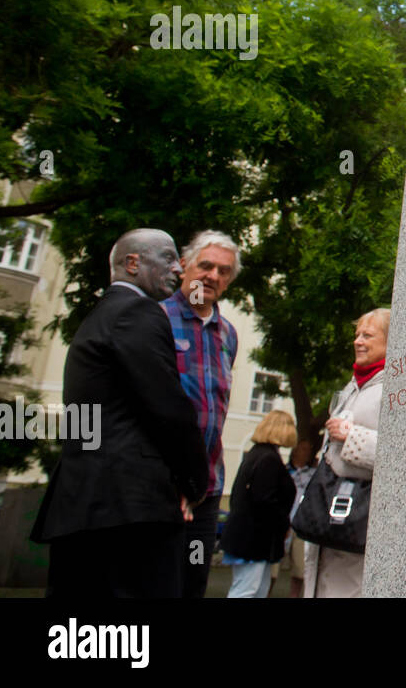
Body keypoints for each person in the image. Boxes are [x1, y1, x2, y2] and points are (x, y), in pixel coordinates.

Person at [30, 229, 209, 598]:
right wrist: (194, 482)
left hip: (85, 504)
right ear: (132, 263)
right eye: (169, 258)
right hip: (129, 508)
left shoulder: (99, 317)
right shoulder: (137, 313)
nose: (179, 269)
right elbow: (168, 408)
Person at [160, 230, 241, 598]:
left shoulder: (228, 334)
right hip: (163, 488)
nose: (212, 276)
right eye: (205, 266)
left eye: (223, 271)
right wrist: (171, 477)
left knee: (192, 586)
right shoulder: (156, 320)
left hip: (208, 491)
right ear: (183, 267)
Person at [303, 308, 388, 598]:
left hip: (360, 520)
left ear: (391, 342)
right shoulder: (354, 385)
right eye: (357, 335)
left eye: (367, 335)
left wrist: (352, 437)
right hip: (331, 514)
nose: (358, 341)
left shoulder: (393, 389)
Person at [221, 410, 298, 598]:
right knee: (247, 590)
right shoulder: (269, 459)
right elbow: (265, 500)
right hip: (255, 539)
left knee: (255, 589)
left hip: (250, 537)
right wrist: (283, 523)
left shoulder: (256, 455)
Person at [286, 439, 317, 598]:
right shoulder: (284, 471)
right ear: (295, 450)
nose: (306, 452)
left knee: (299, 569)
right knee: (271, 570)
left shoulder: (312, 473)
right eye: (302, 449)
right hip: (283, 524)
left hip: (300, 525)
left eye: (308, 449)